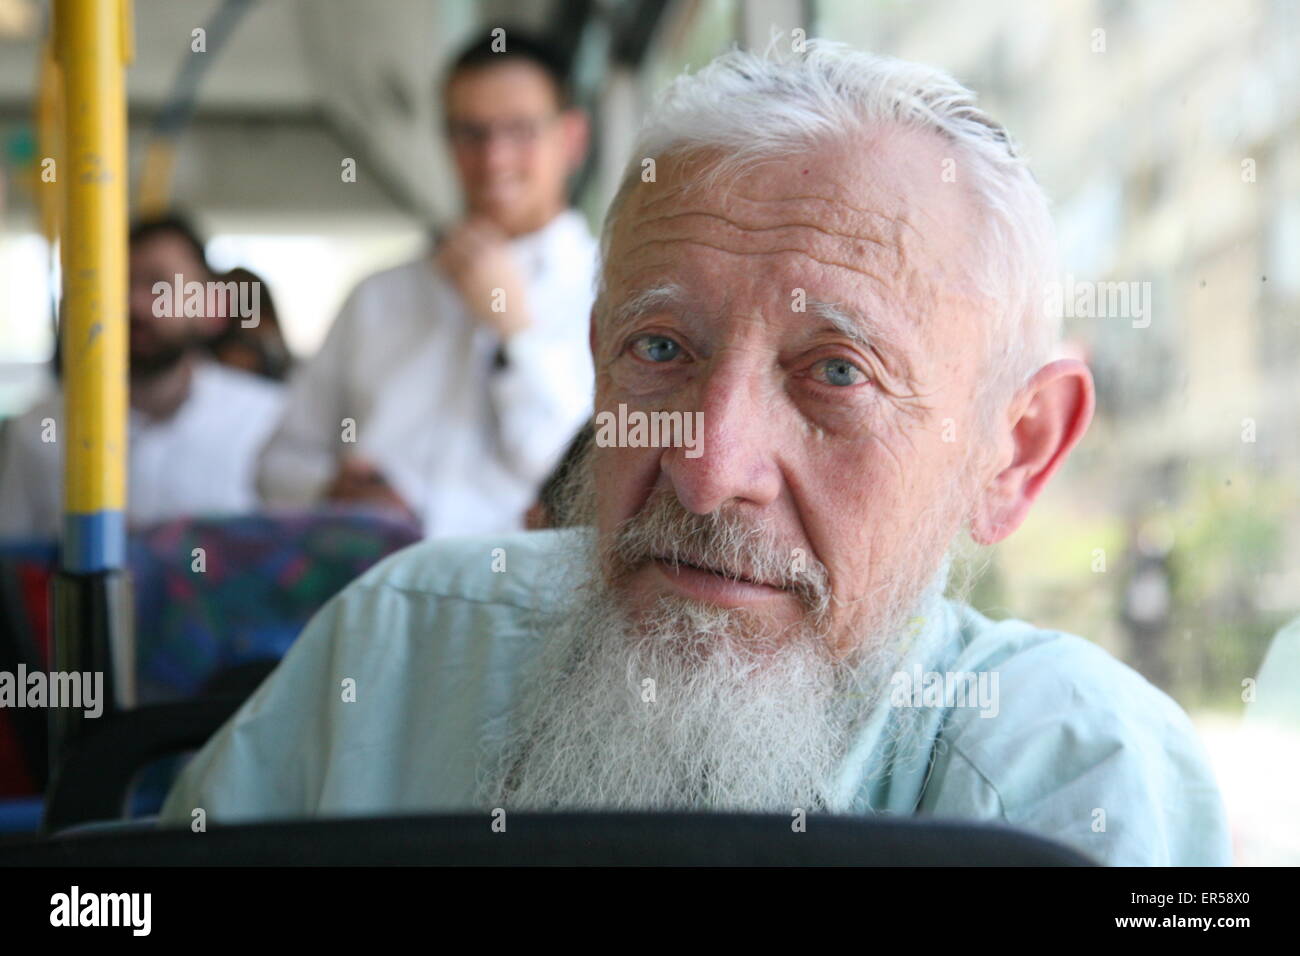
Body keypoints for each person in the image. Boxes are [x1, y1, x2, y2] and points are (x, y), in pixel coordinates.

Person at [160, 42, 1230, 865]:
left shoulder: (1068, 778)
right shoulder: (393, 651)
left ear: (1017, 450)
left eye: (837, 373)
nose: (708, 466)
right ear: (598, 367)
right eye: (661, 349)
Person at [254, 28, 596, 536]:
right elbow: (276, 465)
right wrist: (331, 490)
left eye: (520, 130)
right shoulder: (377, 296)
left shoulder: (611, 292)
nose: (494, 158)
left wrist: (515, 333)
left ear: (570, 138)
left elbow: (578, 483)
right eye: (470, 133)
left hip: (522, 600)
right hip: (373, 589)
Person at [0, 215, 283, 538]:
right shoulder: (37, 431)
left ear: (212, 307)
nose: (134, 304)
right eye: (117, 285)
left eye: (158, 286)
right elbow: (12, 564)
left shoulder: (270, 422)